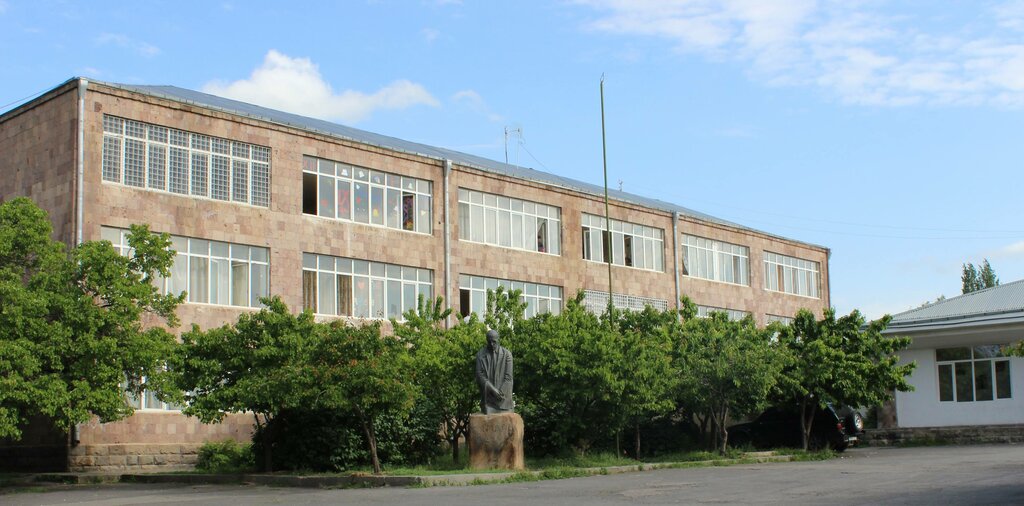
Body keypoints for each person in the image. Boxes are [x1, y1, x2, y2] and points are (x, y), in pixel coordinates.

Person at [475, 329, 514, 414]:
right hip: (488, 397)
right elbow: (479, 375)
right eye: (489, 342)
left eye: (494, 342)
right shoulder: (480, 355)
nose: (491, 344)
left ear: (498, 340)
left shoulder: (507, 354)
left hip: (503, 398)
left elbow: (508, 377)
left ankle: (500, 404)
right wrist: (493, 390)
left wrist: (500, 393)